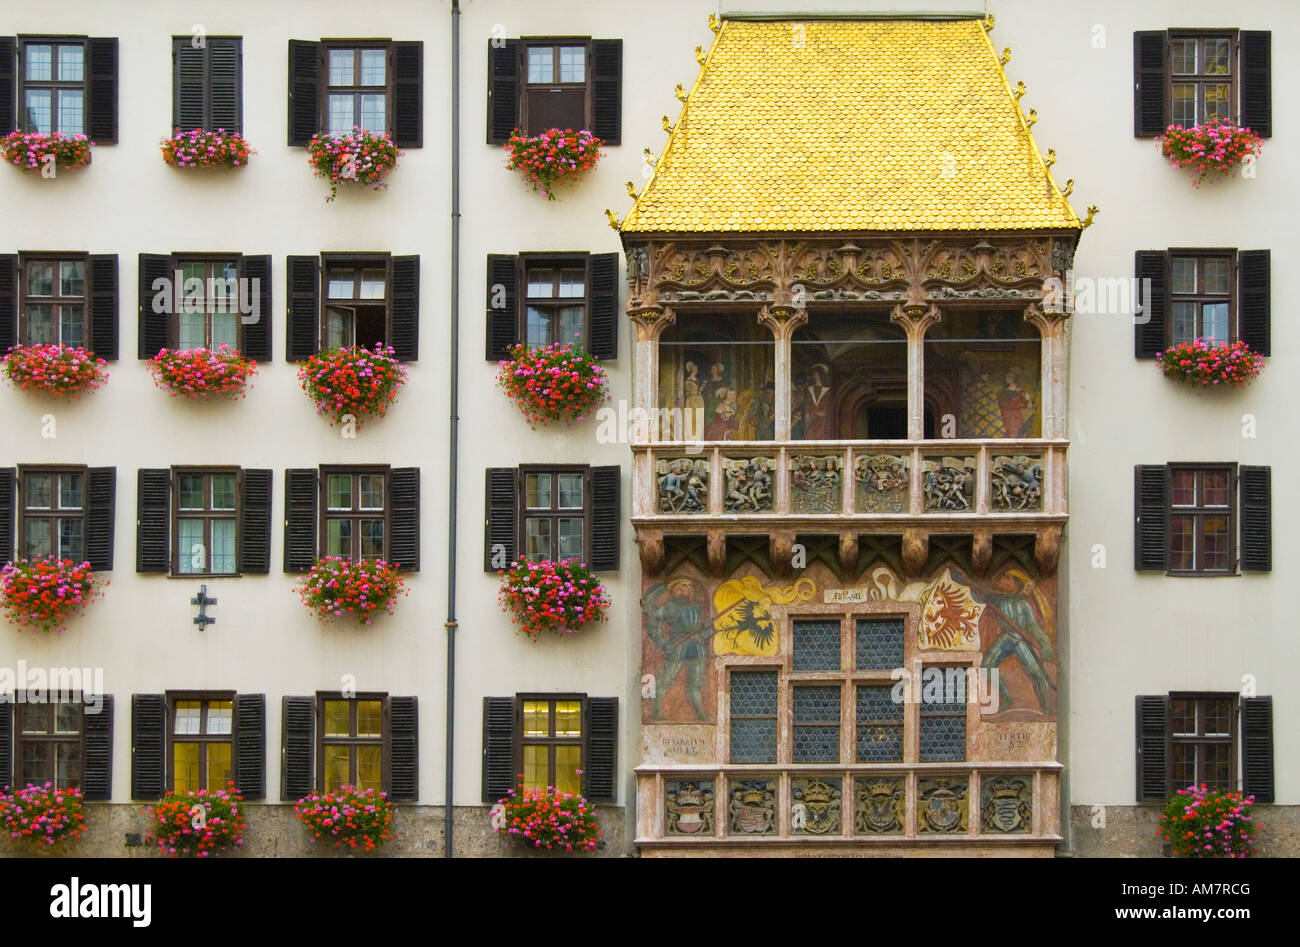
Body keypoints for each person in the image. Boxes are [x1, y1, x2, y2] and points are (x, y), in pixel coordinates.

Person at [642, 578, 711, 721]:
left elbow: (703, 633)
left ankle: (700, 714)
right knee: (666, 679)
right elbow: (652, 627)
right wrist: (663, 644)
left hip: (696, 646)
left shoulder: (696, 608)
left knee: (696, 682)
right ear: (674, 588)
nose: (689, 588)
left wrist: (705, 628)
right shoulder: (668, 608)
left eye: (690, 586)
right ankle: (656, 713)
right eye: (684, 585)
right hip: (677, 646)